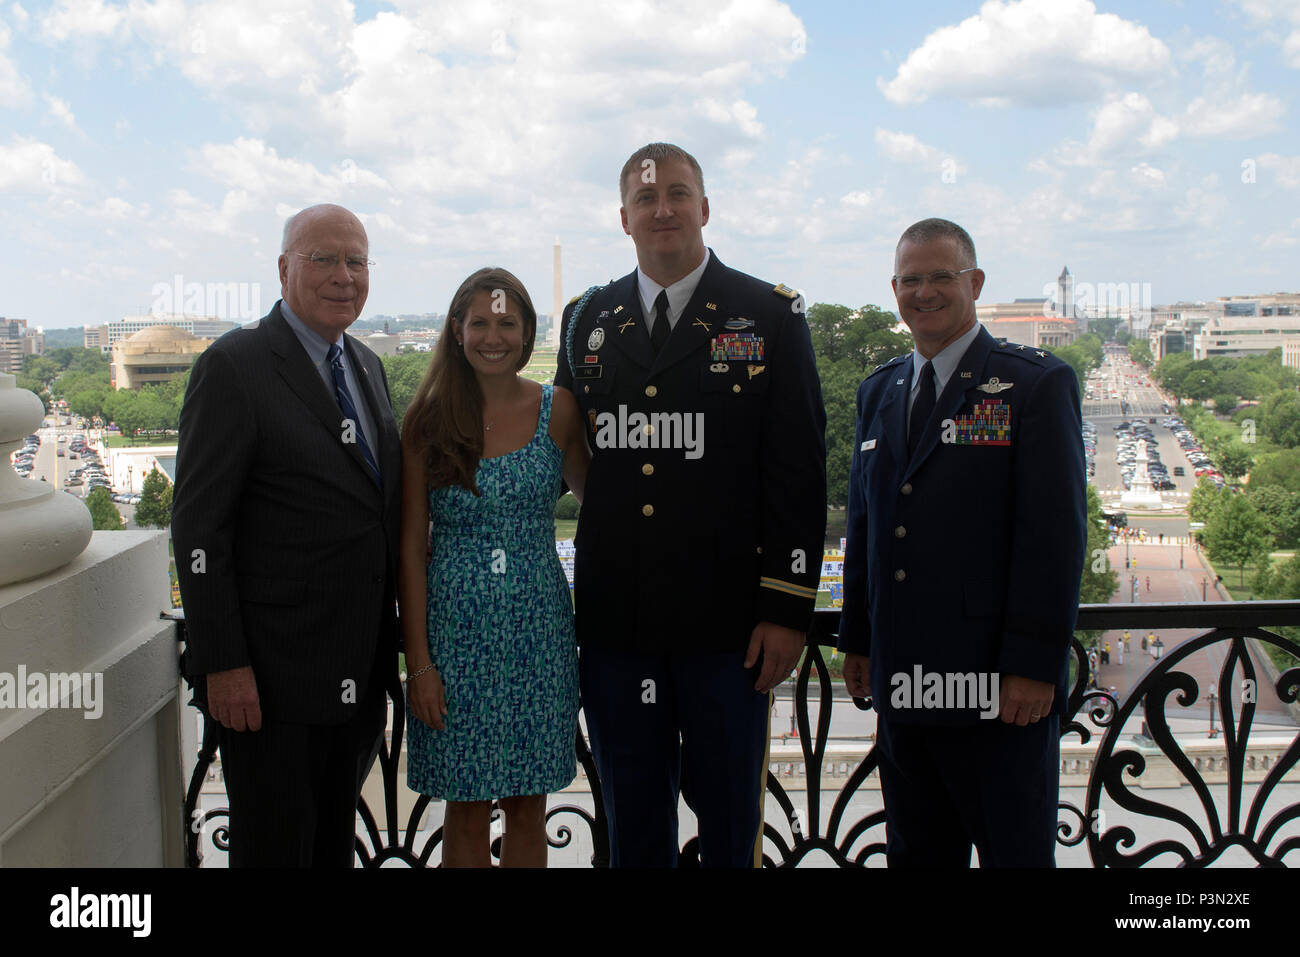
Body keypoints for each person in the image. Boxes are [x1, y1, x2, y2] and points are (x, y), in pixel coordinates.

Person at [555, 142, 826, 867]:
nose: (663, 209)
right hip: (619, 625)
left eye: (678, 193)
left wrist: (787, 607)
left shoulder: (766, 315)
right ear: (624, 217)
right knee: (632, 818)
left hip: (728, 626)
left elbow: (797, 472)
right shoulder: (586, 319)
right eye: (646, 199)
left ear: (704, 208)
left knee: (730, 818)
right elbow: (560, 451)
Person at [838, 218, 1086, 867]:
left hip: (999, 692)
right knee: (917, 856)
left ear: (974, 282)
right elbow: (867, 525)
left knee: (1015, 856)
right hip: (906, 688)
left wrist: (1035, 664)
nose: (925, 292)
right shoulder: (879, 391)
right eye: (910, 279)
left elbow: (1054, 535)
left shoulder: (1030, 386)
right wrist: (857, 640)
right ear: (894, 288)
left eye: (940, 276)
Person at [172, 204, 401, 867]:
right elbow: (198, 526)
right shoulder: (234, 367)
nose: (343, 276)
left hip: (354, 673)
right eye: (323, 259)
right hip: (268, 684)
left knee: (330, 847)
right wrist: (221, 660)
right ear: (283, 269)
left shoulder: (365, 364)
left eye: (356, 261)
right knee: (275, 850)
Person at [399, 268, 590, 867]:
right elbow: (409, 547)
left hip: (538, 633)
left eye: (507, 322)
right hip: (456, 640)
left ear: (528, 333)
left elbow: (603, 510)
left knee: (528, 801)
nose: (493, 335)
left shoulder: (558, 410)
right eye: (479, 321)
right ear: (457, 331)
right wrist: (420, 664)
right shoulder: (427, 420)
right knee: (466, 804)